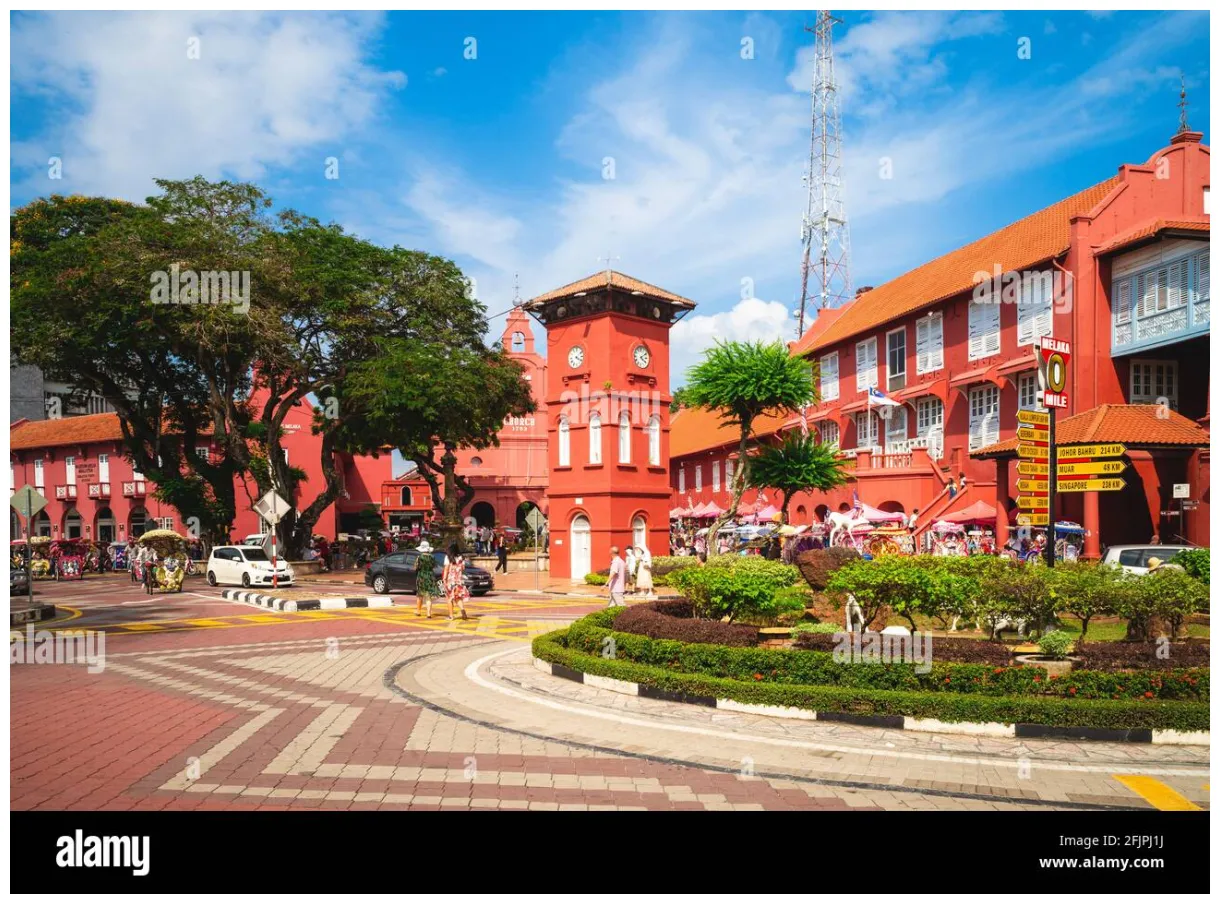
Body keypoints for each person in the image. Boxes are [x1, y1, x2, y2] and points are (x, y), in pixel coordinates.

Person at [441, 543, 470, 620]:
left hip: (450, 580)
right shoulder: (461, 558)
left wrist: (444, 580)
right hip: (459, 580)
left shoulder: (448, 557)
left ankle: (451, 616)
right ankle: (462, 610)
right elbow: (463, 568)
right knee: (457, 597)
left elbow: (446, 569)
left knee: (449, 598)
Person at [414, 541, 439, 618]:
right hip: (430, 576)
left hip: (421, 576)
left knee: (420, 595)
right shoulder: (432, 557)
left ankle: (418, 611)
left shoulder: (419, 557)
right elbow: (435, 566)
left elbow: (415, 567)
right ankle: (428, 613)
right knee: (428, 596)